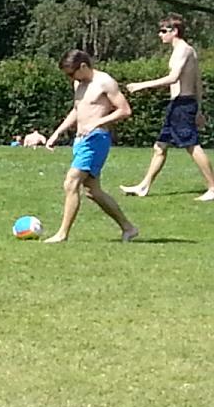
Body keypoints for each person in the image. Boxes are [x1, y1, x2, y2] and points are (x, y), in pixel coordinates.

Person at [34, 49, 138, 243]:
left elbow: (125, 110)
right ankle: (128, 228)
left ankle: (62, 234)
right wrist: (57, 132)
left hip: (97, 139)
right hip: (81, 140)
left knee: (71, 181)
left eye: (71, 73)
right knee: (93, 191)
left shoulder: (105, 82)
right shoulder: (78, 83)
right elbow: (77, 110)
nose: (70, 77)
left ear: (83, 66)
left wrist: (97, 123)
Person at [119, 16, 214, 201]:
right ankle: (143, 186)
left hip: (183, 104)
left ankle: (212, 187)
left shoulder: (183, 50)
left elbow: (173, 78)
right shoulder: (185, 50)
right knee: (160, 146)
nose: (160, 34)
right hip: (179, 104)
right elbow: (198, 83)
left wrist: (142, 85)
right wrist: (199, 109)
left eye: (164, 31)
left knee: (192, 146)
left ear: (174, 31)